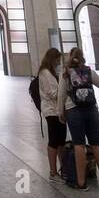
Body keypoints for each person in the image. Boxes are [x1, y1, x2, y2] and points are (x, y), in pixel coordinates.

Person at [58, 46, 99, 191]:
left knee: (79, 145)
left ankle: (81, 182)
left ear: (70, 57)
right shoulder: (89, 71)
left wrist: (60, 113)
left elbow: (61, 95)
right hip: (91, 110)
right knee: (96, 144)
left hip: (74, 111)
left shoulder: (65, 73)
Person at [37, 48, 66, 181]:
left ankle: (64, 168)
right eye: (57, 60)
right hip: (51, 111)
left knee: (61, 140)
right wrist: (65, 90)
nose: (59, 62)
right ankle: (53, 172)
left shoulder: (53, 72)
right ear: (52, 59)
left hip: (58, 110)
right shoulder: (45, 73)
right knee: (54, 140)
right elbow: (53, 93)